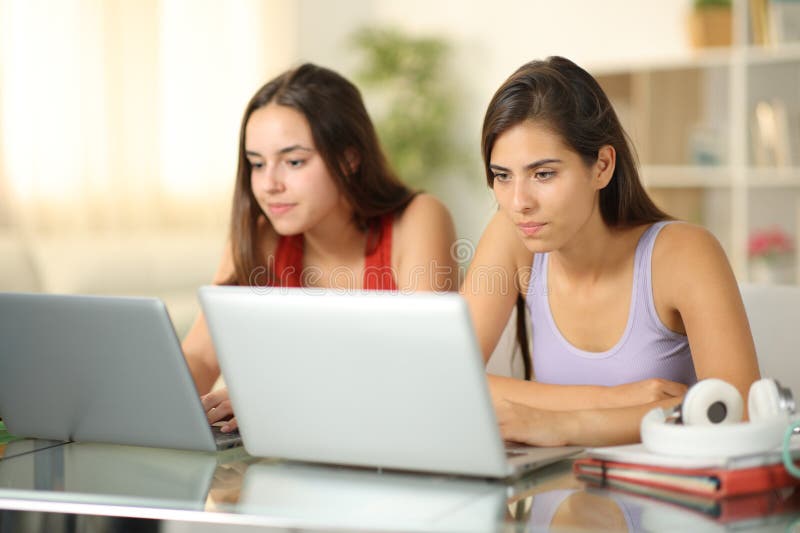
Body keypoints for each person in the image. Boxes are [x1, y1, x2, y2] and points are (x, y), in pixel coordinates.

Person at [462, 56, 760, 446]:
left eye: (543, 174)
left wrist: (561, 425)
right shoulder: (511, 235)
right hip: (557, 497)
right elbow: (447, 381)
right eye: (502, 176)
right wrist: (610, 401)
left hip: (669, 500)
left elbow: (735, 410)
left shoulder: (683, 254)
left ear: (601, 166)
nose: (518, 201)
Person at [183, 63, 457, 431]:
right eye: (257, 164)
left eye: (293, 161)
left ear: (349, 159)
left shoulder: (418, 219)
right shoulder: (260, 235)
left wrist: (272, 397)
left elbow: (422, 368)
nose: (268, 185)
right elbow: (201, 354)